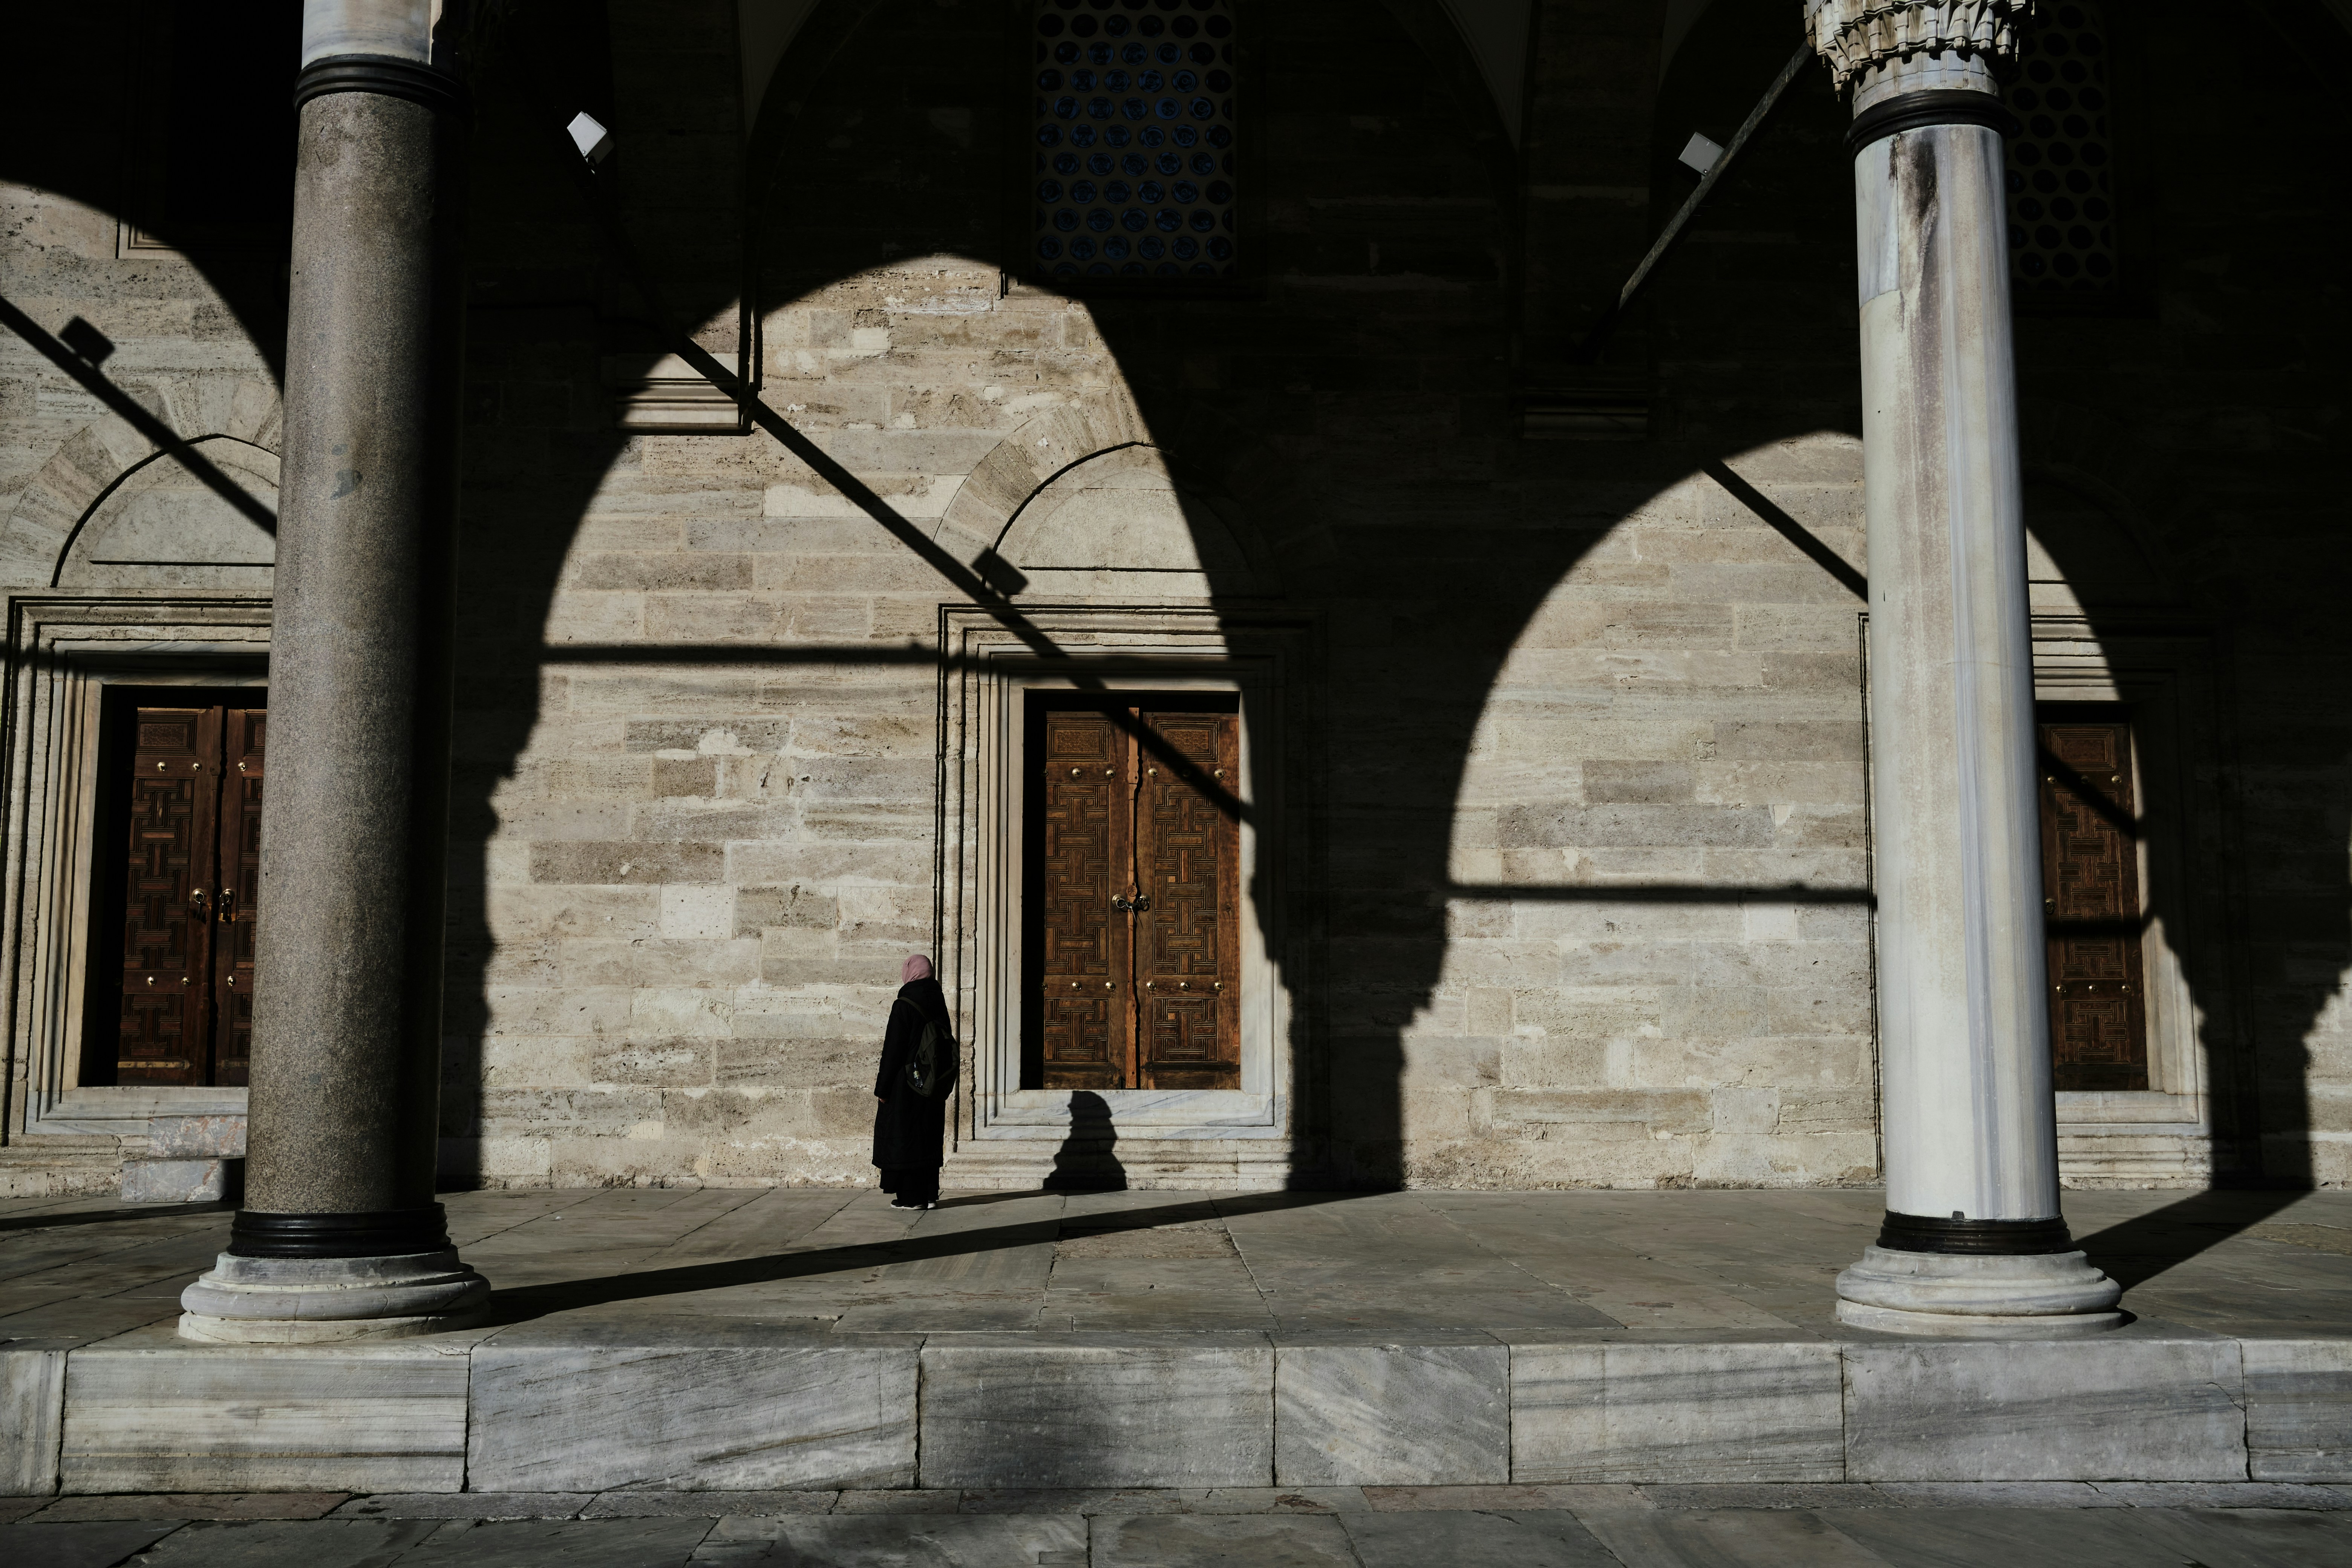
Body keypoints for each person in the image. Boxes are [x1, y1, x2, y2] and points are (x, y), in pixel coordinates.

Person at [873, 953, 953, 1209]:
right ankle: (929, 1195)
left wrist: (883, 1088)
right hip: (932, 1084)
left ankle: (911, 1198)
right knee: (928, 1137)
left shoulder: (904, 1003)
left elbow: (893, 1050)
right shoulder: (938, 1000)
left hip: (906, 1085)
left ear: (910, 972)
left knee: (906, 1139)